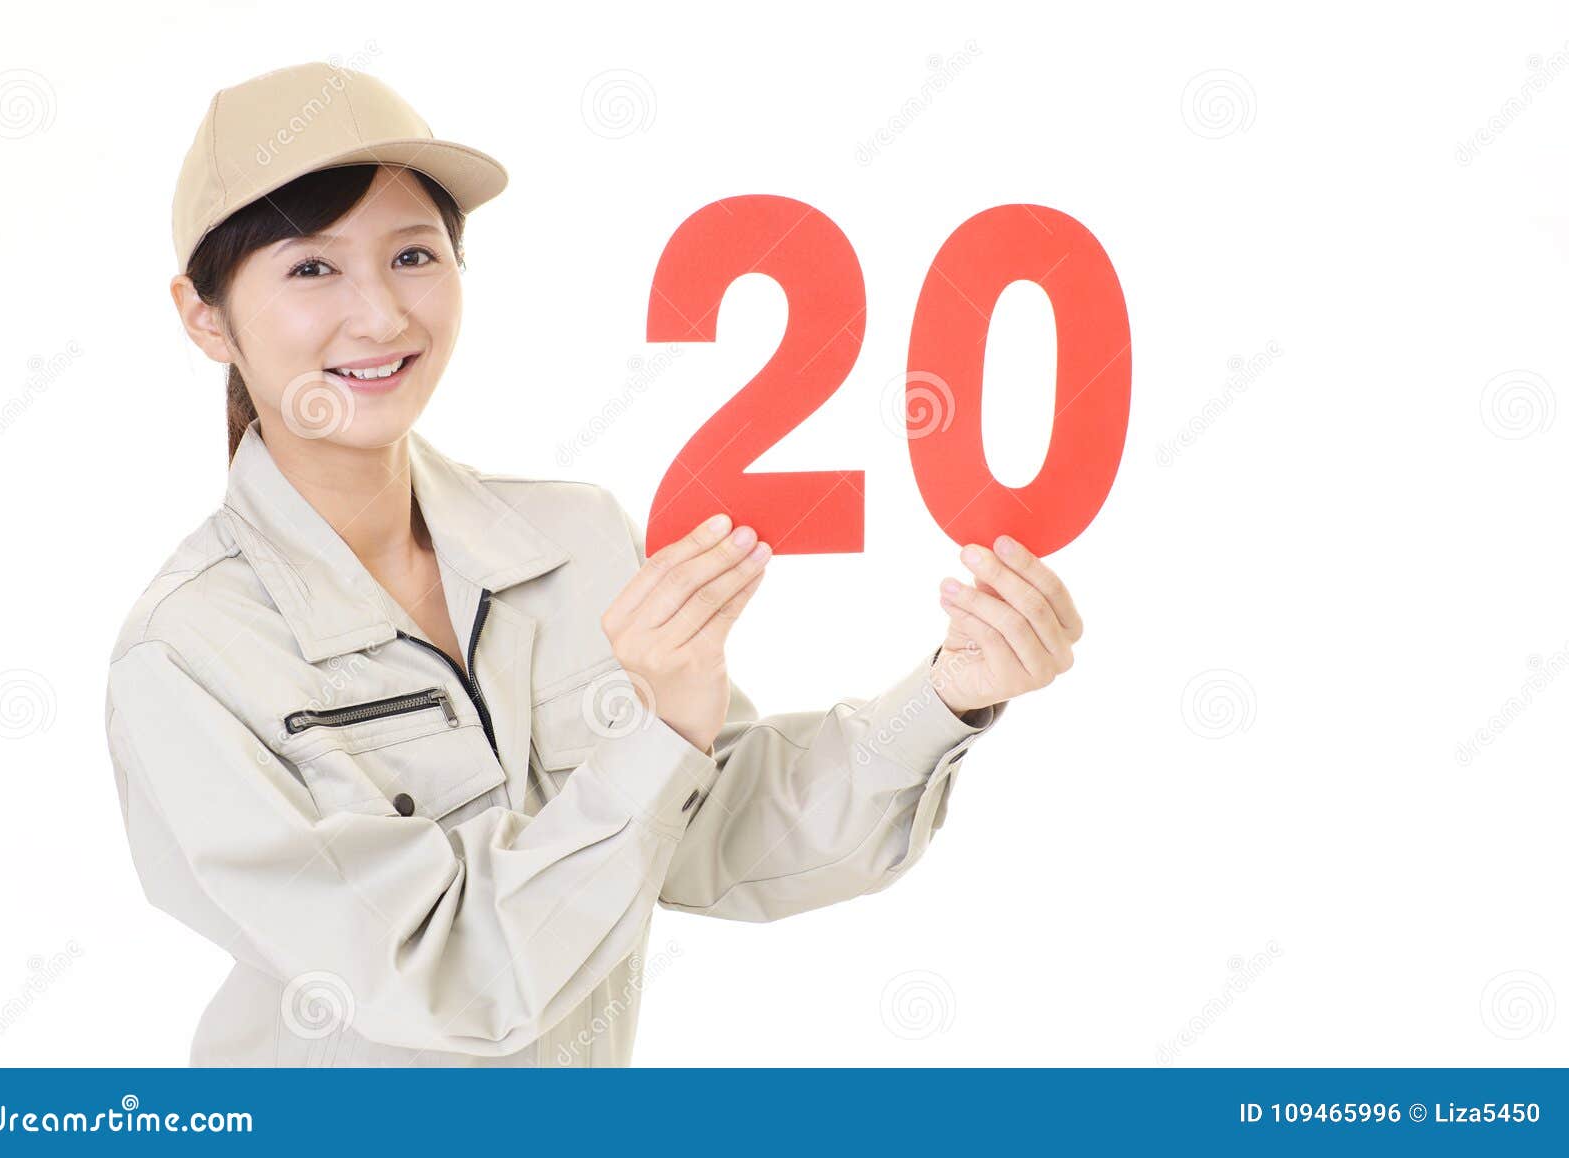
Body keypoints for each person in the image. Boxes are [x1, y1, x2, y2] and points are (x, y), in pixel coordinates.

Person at [104, 61, 1082, 1067]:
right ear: (203, 314)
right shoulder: (187, 656)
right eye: (312, 268)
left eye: (413, 255)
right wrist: (658, 729)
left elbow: (716, 838)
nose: (383, 317)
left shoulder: (570, 541)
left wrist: (950, 695)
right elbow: (445, 978)